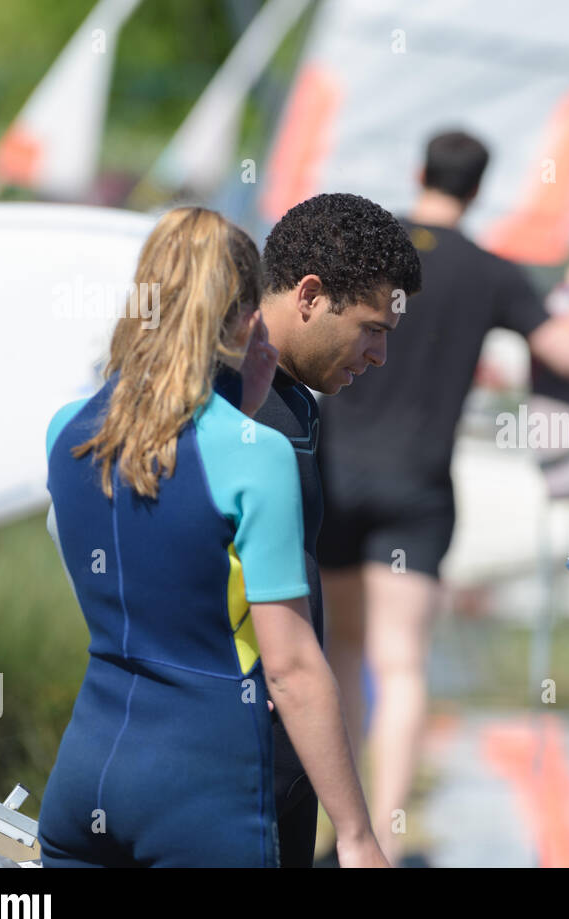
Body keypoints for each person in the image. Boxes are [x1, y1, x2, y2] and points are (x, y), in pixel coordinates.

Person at [38, 207, 385, 867]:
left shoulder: (66, 430)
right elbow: (291, 668)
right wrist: (359, 834)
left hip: (85, 775)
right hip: (201, 790)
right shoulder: (255, 455)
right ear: (247, 318)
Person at [317, 129, 569, 864]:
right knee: (403, 662)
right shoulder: (492, 271)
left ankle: (337, 829)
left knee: (342, 653)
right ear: (478, 189)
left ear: (419, 172)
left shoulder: (367, 257)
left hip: (337, 473)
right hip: (419, 487)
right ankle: (382, 832)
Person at [213, 192, 422, 867]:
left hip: (284, 757)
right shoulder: (220, 398)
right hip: (228, 759)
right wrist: (357, 833)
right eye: (371, 327)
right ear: (309, 294)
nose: (381, 354)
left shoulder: (293, 394)